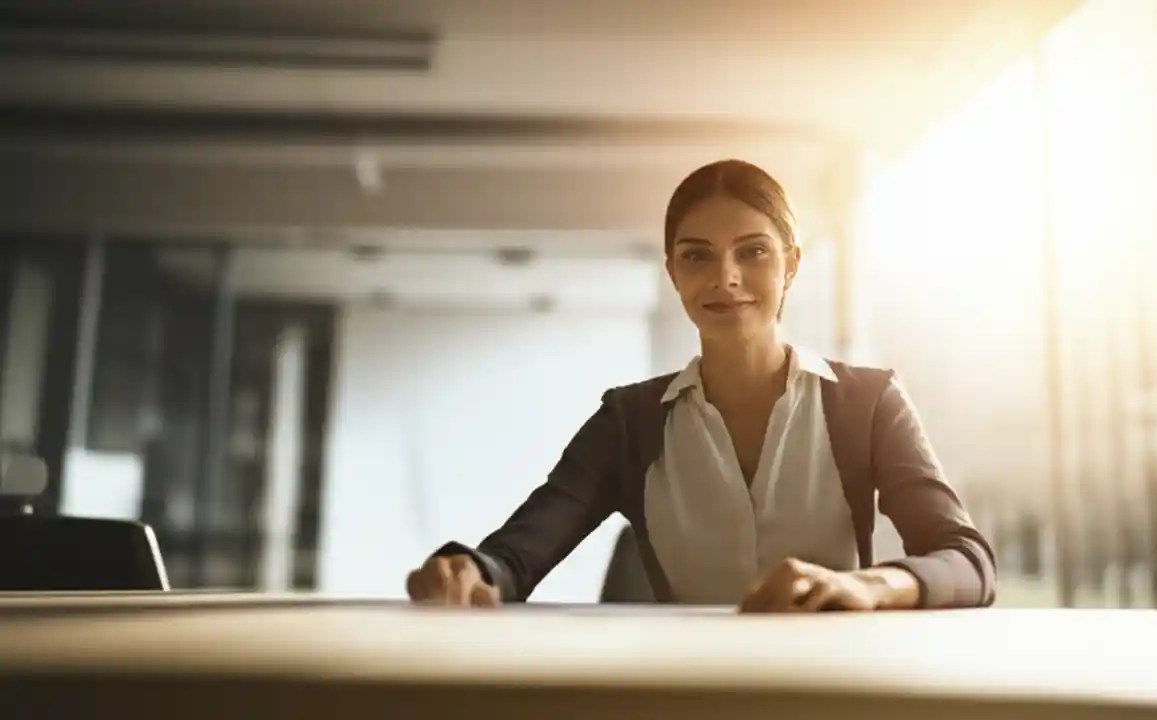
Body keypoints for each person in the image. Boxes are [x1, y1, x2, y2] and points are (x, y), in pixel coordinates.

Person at [406, 159, 996, 613]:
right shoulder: (628, 422)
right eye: (697, 257)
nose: (727, 278)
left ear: (791, 263)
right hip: (686, 697)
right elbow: (514, 559)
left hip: (836, 693)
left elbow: (968, 560)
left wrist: (866, 587)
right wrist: (468, 572)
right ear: (673, 273)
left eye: (753, 252)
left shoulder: (867, 403)